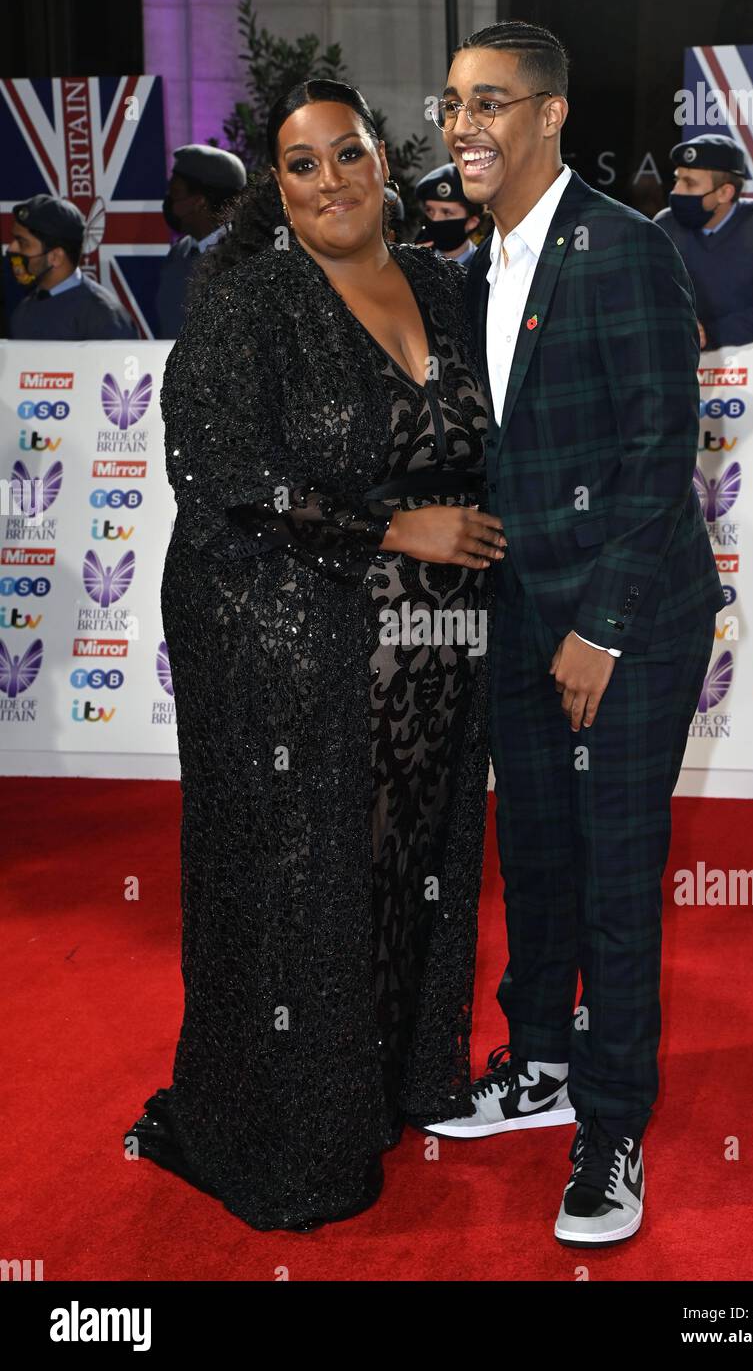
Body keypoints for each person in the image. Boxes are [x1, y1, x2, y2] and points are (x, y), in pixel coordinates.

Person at [123, 80, 507, 1232]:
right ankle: (295, 1135)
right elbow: (223, 470)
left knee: (402, 860)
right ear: (276, 189)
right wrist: (398, 528)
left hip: (422, 642)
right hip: (281, 632)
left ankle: (384, 1082)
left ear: (383, 160)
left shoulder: (441, 285)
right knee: (305, 878)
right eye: (301, 166)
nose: (331, 181)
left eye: (347, 155)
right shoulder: (253, 305)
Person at [422, 21, 725, 1248]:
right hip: (516, 615)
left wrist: (600, 627)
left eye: (488, 103)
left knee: (609, 876)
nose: (460, 127)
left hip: (629, 623)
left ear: (547, 115)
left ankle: (610, 1121)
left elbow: (663, 449)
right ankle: (539, 1058)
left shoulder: (622, 248)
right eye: (450, 103)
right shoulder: (472, 265)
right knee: (536, 856)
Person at [654, 134, 753, 349]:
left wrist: (709, 334)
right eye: (677, 180)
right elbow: (652, 300)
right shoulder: (666, 226)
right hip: (681, 364)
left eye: (689, 184)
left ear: (725, 192)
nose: (676, 192)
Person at [6, 195, 137, 339]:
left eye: (23, 243)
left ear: (55, 257)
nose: (11, 249)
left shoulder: (104, 316)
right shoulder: (23, 310)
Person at [155, 143, 247, 337]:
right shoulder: (179, 253)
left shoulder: (245, 259)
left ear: (199, 202)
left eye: (175, 193)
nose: (169, 200)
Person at [415, 160, 482, 264]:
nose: (435, 219)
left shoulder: (487, 271)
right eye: (429, 210)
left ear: (472, 222)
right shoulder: (415, 263)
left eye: (447, 213)